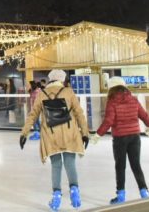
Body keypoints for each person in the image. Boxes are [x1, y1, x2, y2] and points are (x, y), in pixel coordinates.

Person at [19, 68, 90, 211]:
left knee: (56, 165)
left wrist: (24, 133)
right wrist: (85, 133)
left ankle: (56, 197)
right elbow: (79, 113)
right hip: (70, 133)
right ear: (62, 79)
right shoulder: (68, 92)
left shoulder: (42, 94)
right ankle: (74, 192)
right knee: (70, 163)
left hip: (50, 135)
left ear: (50, 79)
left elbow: (33, 115)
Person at [91, 76, 149, 203]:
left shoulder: (112, 101)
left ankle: (121, 195)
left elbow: (109, 120)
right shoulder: (133, 99)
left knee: (120, 166)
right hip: (134, 136)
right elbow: (143, 114)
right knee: (136, 165)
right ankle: (144, 192)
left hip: (120, 138)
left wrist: (98, 134)